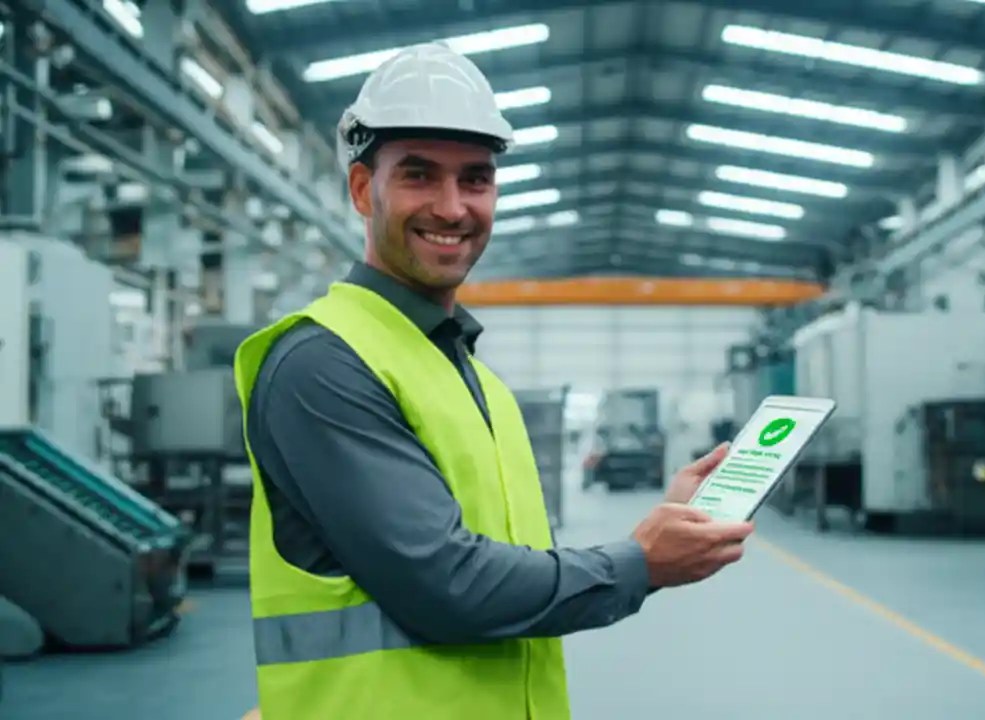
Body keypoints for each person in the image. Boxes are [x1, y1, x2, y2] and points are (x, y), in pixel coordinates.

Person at [232, 42, 755, 720]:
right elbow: (448, 583)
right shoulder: (324, 363)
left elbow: (501, 565)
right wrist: (639, 563)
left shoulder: (468, 374)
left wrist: (658, 530)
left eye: (475, 179)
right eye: (420, 175)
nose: (452, 208)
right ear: (364, 189)